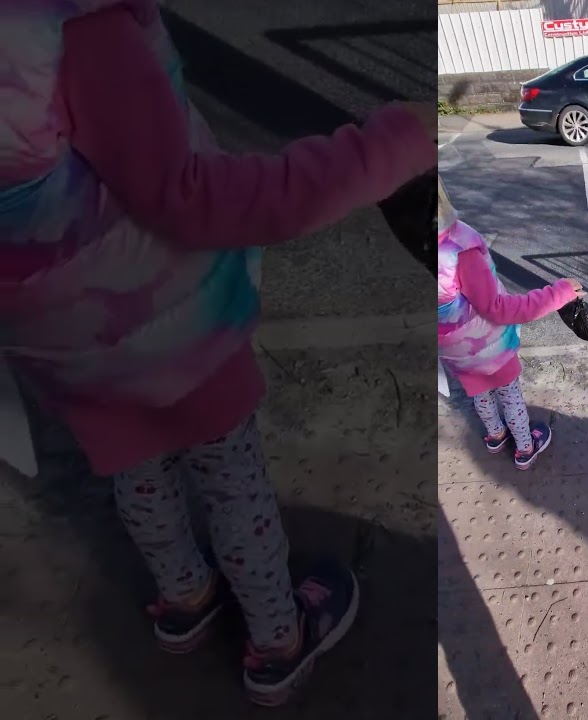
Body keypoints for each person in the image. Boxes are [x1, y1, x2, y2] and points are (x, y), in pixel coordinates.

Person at [0, 0, 436, 707]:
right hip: (168, 321)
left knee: (137, 472)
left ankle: (185, 600)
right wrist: (397, 145)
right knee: (231, 478)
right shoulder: (81, 24)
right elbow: (192, 197)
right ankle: (277, 640)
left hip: (60, 343)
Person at [437, 179, 583, 470]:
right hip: (490, 346)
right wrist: (560, 293)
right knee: (509, 394)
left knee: (480, 395)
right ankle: (525, 448)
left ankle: (495, 436)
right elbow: (497, 308)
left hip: (454, 351)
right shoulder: (458, 248)